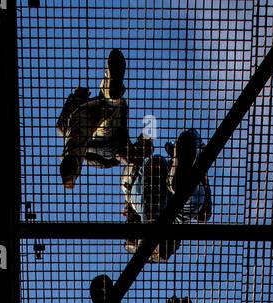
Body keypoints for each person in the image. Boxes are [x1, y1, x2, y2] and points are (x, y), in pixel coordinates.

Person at [122, 127, 213, 264]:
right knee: (189, 198)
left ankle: (183, 179)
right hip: (170, 213)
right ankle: (183, 179)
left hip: (161, 208)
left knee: (190, 199)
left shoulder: (138, 245)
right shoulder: (139, 246)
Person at [56, 50, 141, 190]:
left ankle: (112, 95)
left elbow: (107, 161)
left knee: (105, 126)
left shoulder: (92, 156)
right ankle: (109, 86)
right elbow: (60, 124)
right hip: (84, 113)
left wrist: (116, 158)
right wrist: (75, 97)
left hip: (98, 137)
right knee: (106, 106)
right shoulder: (64, 128)